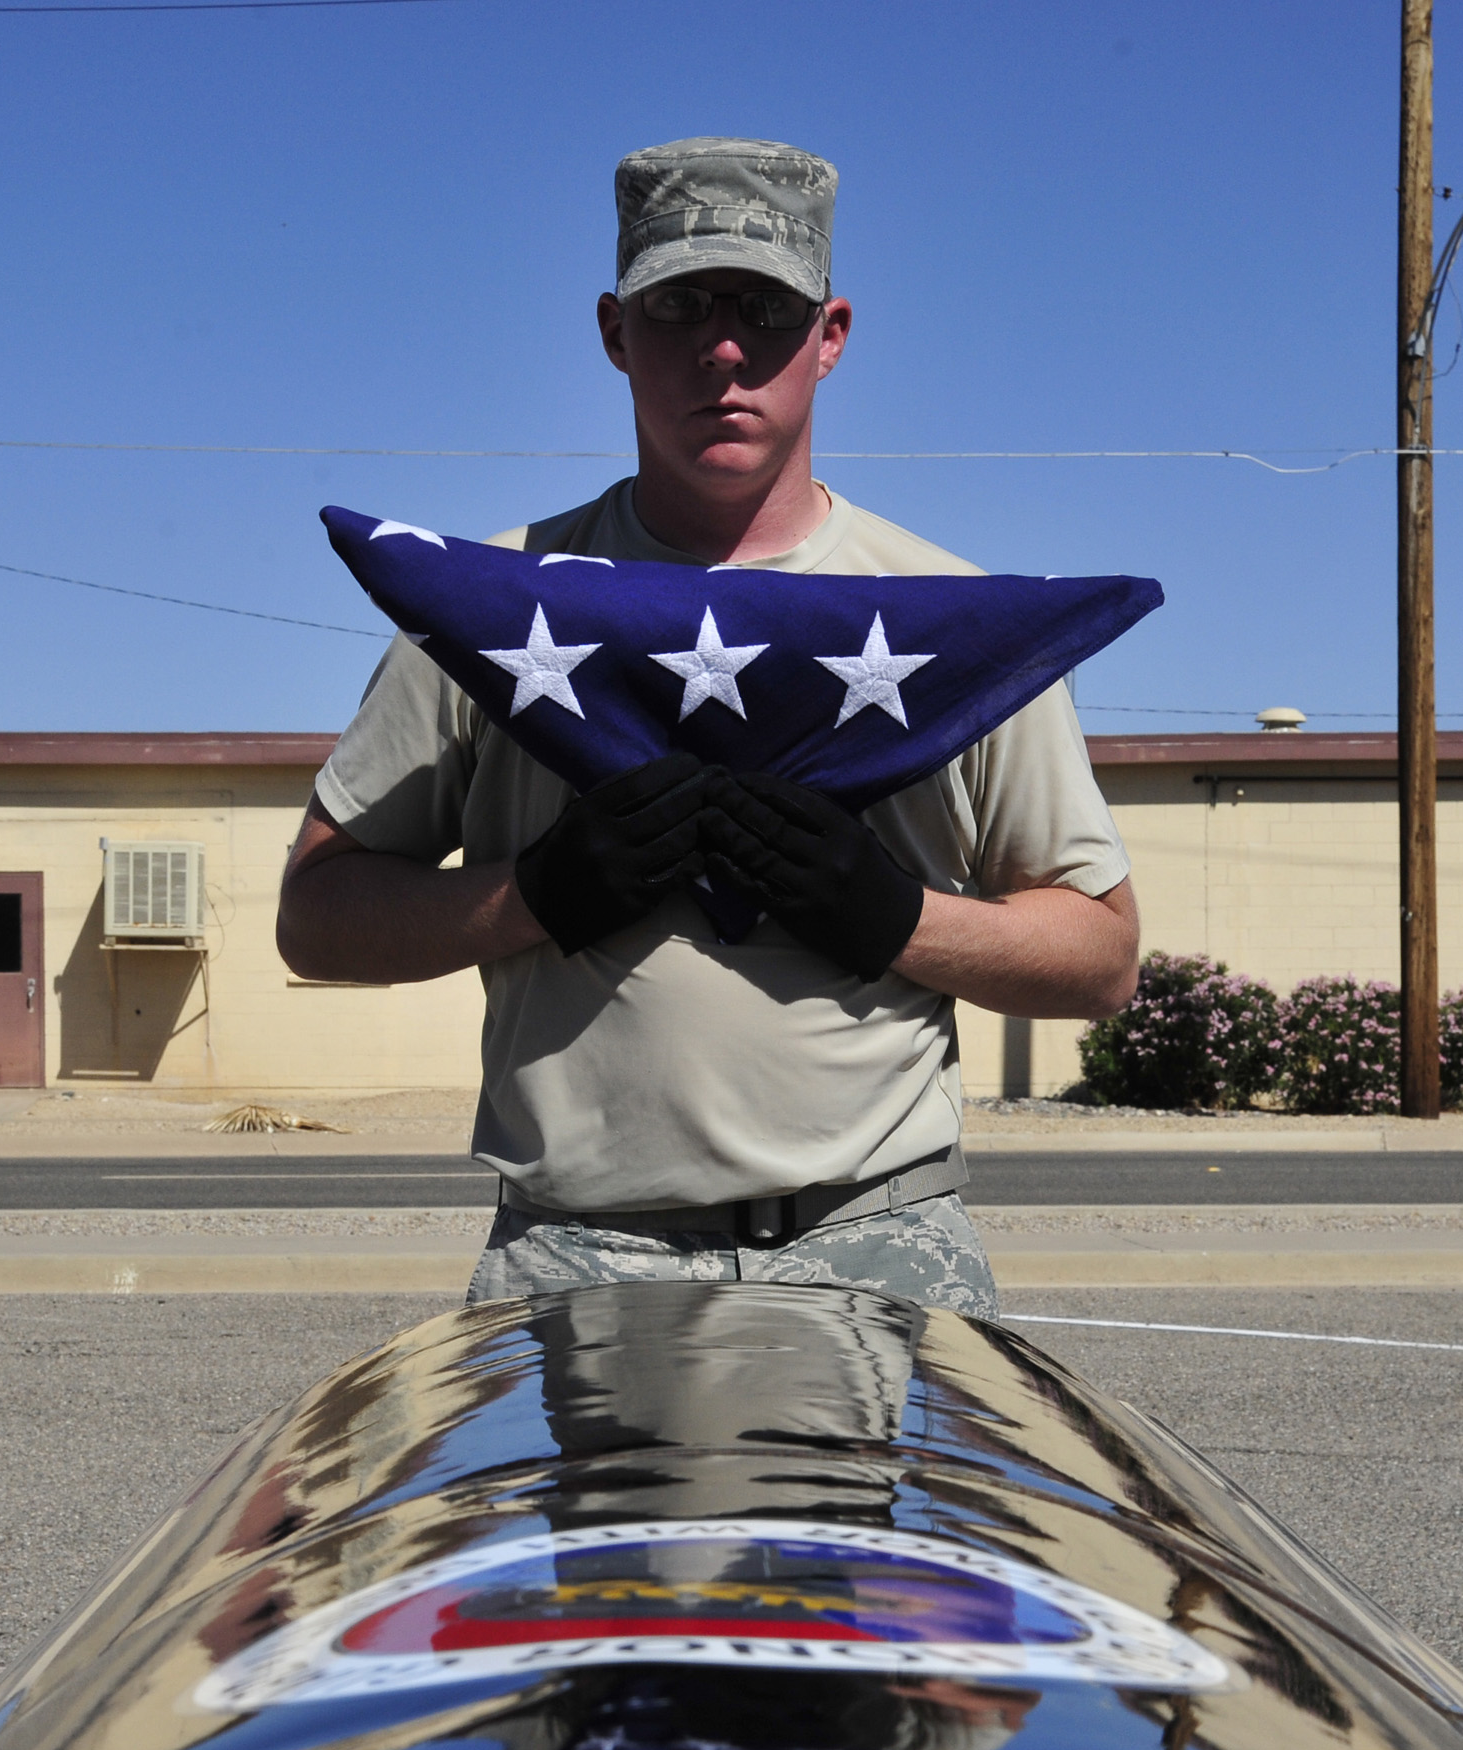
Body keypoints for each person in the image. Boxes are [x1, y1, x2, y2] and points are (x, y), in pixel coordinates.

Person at [277, 135, 1139, 1319]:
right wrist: (537, 895)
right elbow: (318, 919)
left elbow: (1098, 958)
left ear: (830, 336)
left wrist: (890, 915)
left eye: (765, 311)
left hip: (882, 1240)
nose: (724, 350)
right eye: (679, 306)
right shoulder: (488, 612)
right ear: (614, 333)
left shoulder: (955, 634)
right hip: (575, 1254)